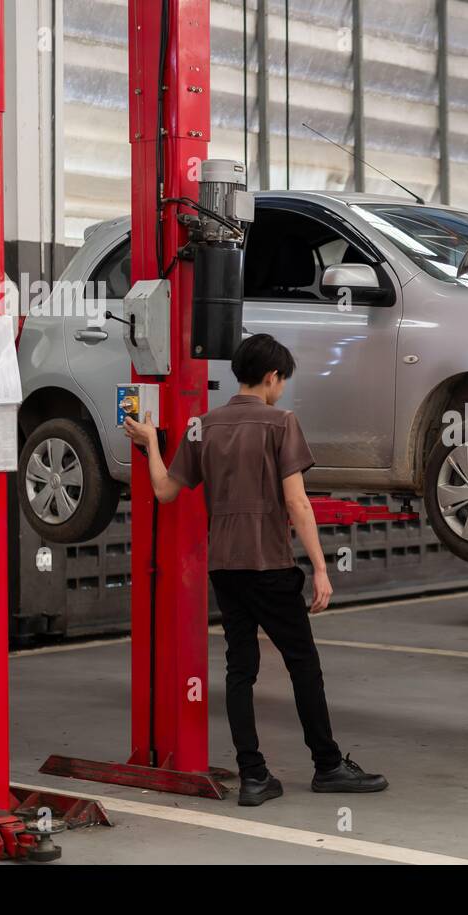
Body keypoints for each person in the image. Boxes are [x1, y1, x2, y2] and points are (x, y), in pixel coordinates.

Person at [124, 333, 388, 806]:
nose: (282, 389)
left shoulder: (203, 425)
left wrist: (149, 444)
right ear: (272, 377)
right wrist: (322, 568)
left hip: (225, 567)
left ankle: (253, 776)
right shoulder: (281, 423)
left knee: (240, 668)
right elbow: (297, 502)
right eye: (282, 380)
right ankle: (327, 766)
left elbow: (164, 492)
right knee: (303, 665)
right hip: (269, 564)